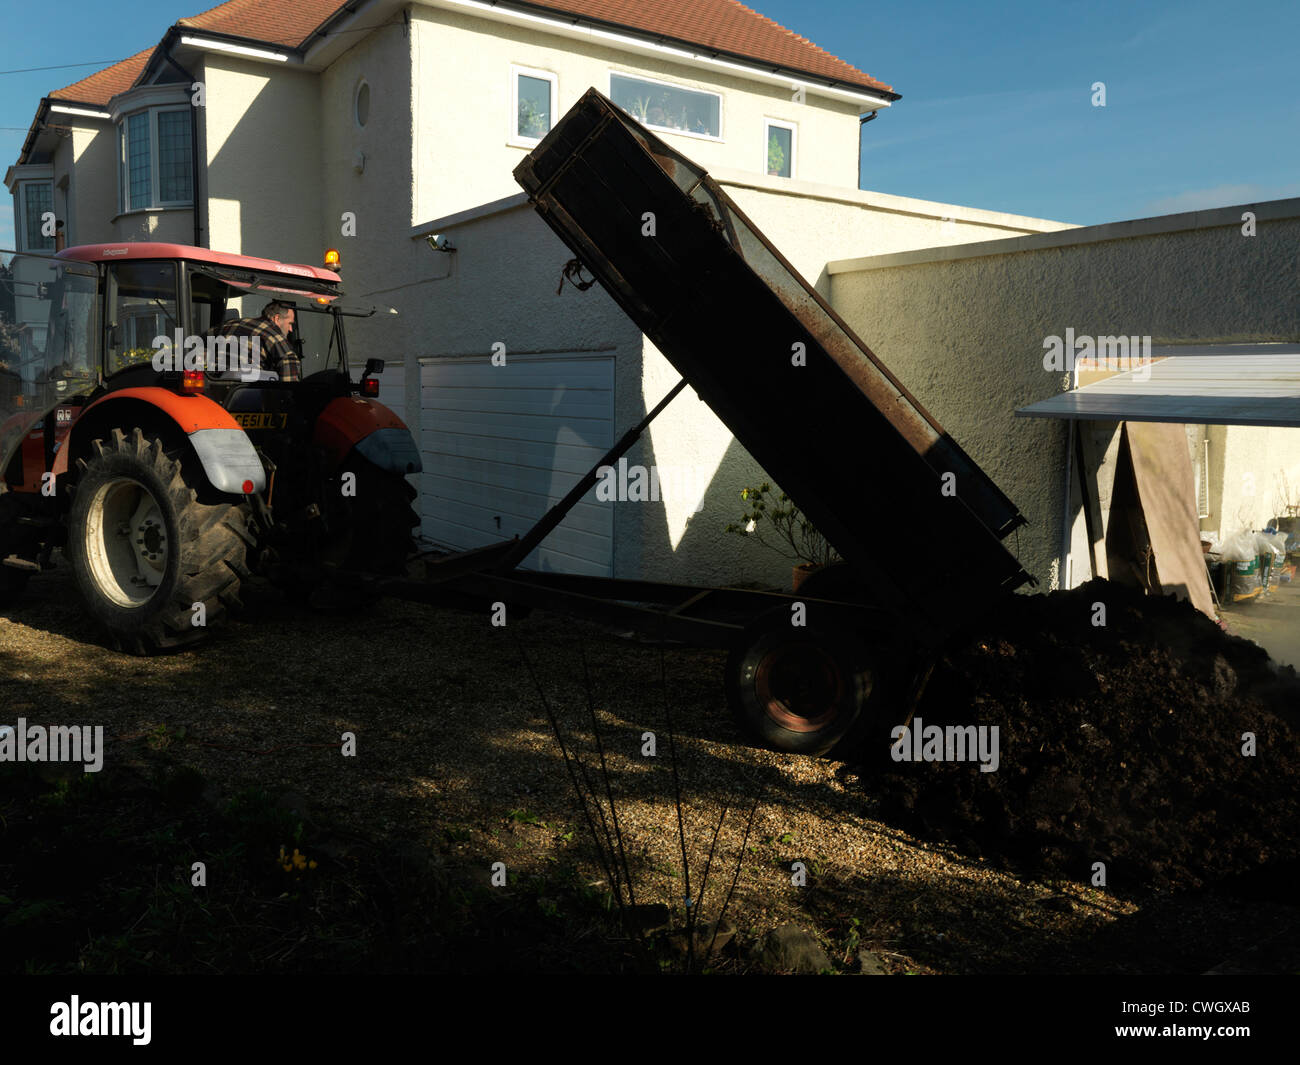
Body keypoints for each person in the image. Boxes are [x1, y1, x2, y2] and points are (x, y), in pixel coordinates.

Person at [216, 299, 301, 381]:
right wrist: (289, 393)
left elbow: (204, 339)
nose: (291, 329)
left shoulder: (230, 324)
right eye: (290, 323)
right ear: (277, 318)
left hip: (217, 387)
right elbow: (288, 360)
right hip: (248, 390)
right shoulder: (274, 335)